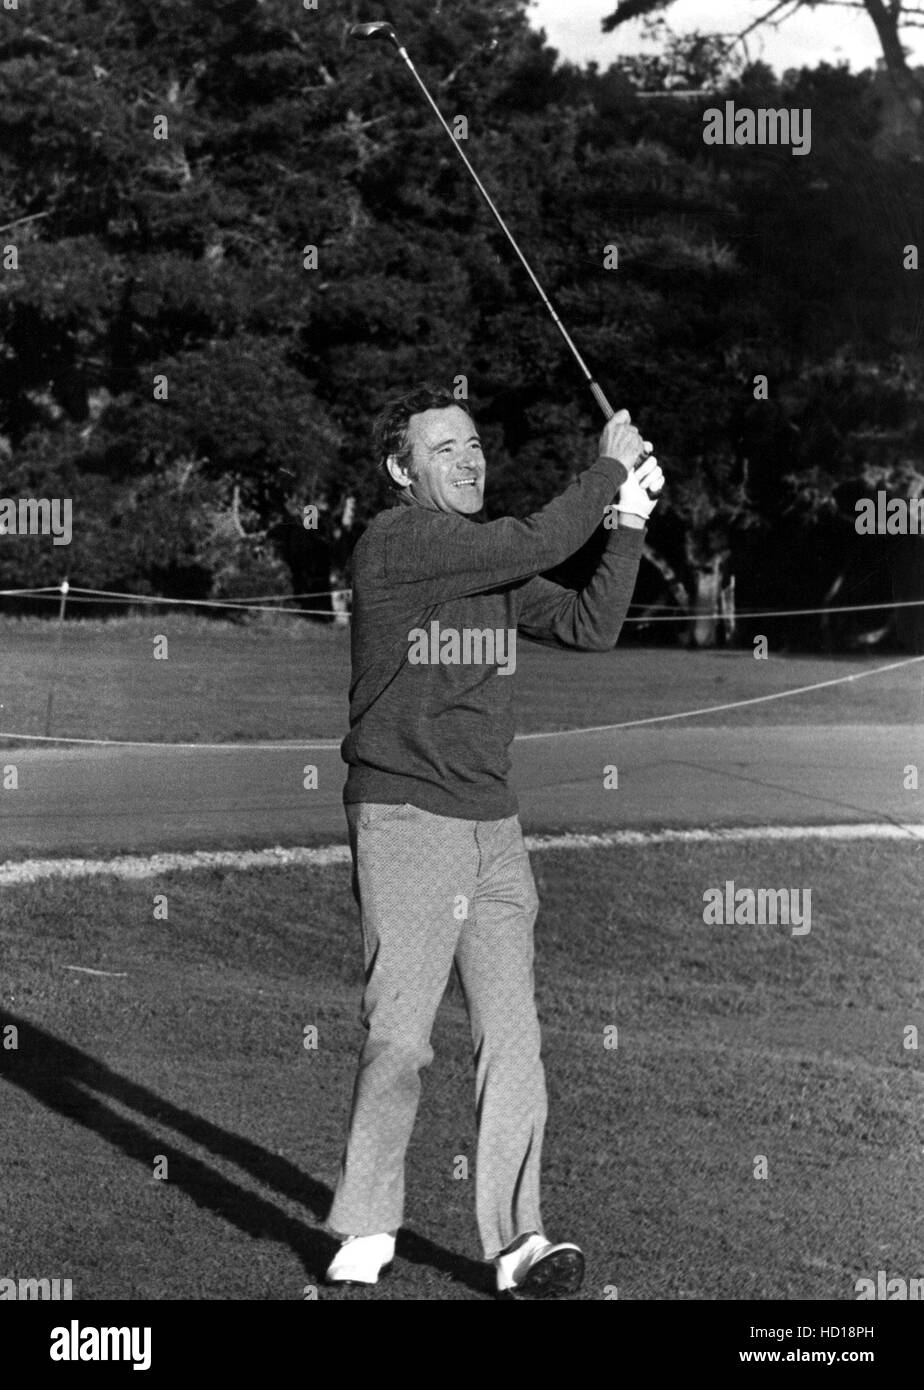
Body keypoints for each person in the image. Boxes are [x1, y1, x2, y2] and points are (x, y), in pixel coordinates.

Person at [325, 383, 663, 1298]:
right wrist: (607, 468)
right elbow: (538, 538)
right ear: (403, 472)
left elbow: (592, 627)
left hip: (493, 831)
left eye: (473, 442)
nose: (468, 458)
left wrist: (627, 517)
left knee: (513, 1036)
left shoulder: (488, 571)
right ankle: (365, 1224)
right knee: (400, 1039)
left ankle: (519, 1243)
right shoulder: (400, 542)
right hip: (405, 819)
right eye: (443, 449)